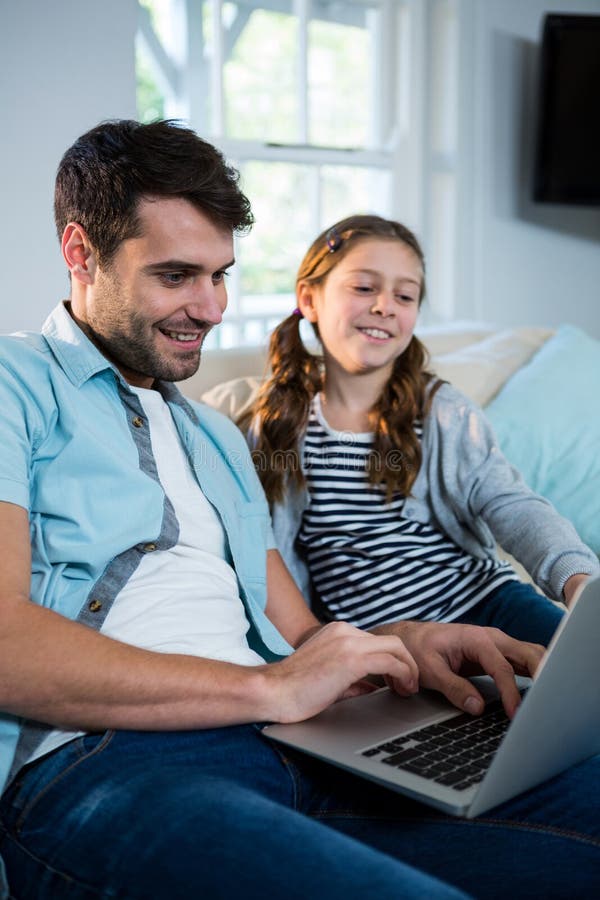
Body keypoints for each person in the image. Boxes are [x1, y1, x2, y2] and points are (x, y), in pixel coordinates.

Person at [0, 121, 598, 900]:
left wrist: (406, 643)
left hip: (302, 745)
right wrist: (268, 689)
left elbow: (303, 633)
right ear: (81, 253)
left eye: (221, 275)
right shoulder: (17, 382)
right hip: (112, 763)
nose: (210, 308)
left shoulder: (214, 435)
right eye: (177, 275)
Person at [245, 214, 599, 648]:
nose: (384, 306)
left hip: (490, 606)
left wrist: (577, 578)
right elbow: (262, 545)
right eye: (364, 287)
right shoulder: (279, 424)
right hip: (384, 644)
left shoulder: (441, 411)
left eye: (405, 295)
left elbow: (512, 504)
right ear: (310, 297)